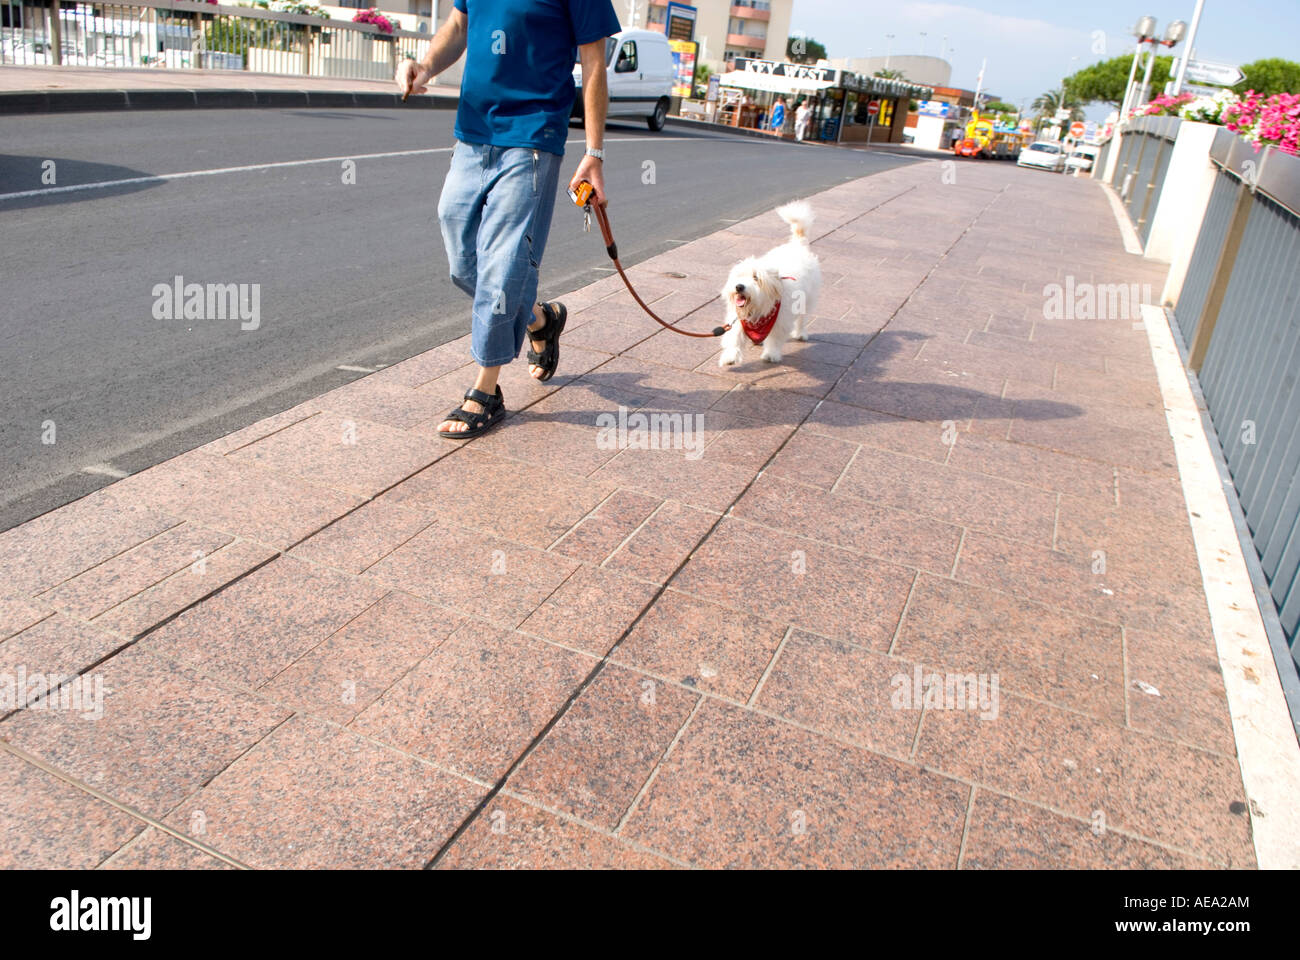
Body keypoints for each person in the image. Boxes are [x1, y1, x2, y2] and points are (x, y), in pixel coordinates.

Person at [396, 0, 620, 438]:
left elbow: (594, 61)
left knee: (503, 264)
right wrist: (425, 67)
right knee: (463, 262)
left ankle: (486, 391)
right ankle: (540, 319)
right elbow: (460, 25)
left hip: (534, 134)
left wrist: (594, 153)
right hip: (473, 131)